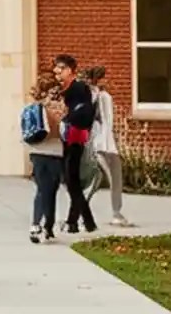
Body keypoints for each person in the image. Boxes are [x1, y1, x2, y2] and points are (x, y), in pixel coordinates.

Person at [54, 54, 97, 233]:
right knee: (72, 182)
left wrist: (67, 119)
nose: (57, 71)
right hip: (70, 136)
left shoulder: (79, 88)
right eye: (55, 67)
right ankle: (79, 222)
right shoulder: (68, 89)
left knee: (72, 181)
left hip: (76, 137)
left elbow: (85, 112)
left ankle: (83, 222)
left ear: (70, 70)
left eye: (61, 68)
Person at [85, 65, 131, 227]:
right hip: (104, 145)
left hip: (99, 143)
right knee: (113, 178)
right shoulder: (101, 96)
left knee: (96, 179)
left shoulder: (91, 95)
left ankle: (80, 211)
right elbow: (106, 122)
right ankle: (116, 213)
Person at [26, 68, 65, 244]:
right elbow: (60, 132)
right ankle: (42, 225)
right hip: (54, 153)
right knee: (49, 190)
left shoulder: (32, 107)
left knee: (43, 189)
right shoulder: (57, 108)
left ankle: (41, 225)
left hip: (36, 152)